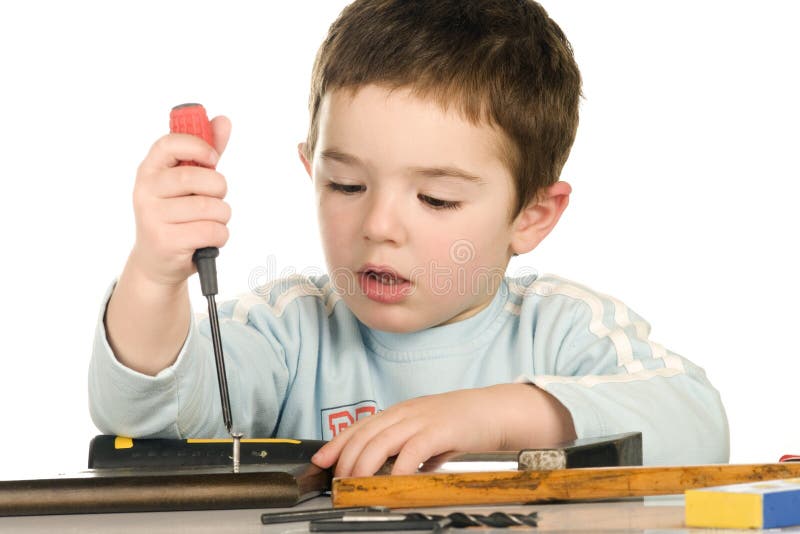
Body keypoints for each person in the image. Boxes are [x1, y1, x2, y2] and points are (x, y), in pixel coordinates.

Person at [89, 0, 729, 477]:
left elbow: (699, 424)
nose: (378, 226)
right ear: (312, 169)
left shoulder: (563, 330)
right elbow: (149, 418)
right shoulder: (286, 331)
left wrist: (489, 416)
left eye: (436, 198)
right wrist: (153, 276)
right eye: (345, 185)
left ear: (531, 216)